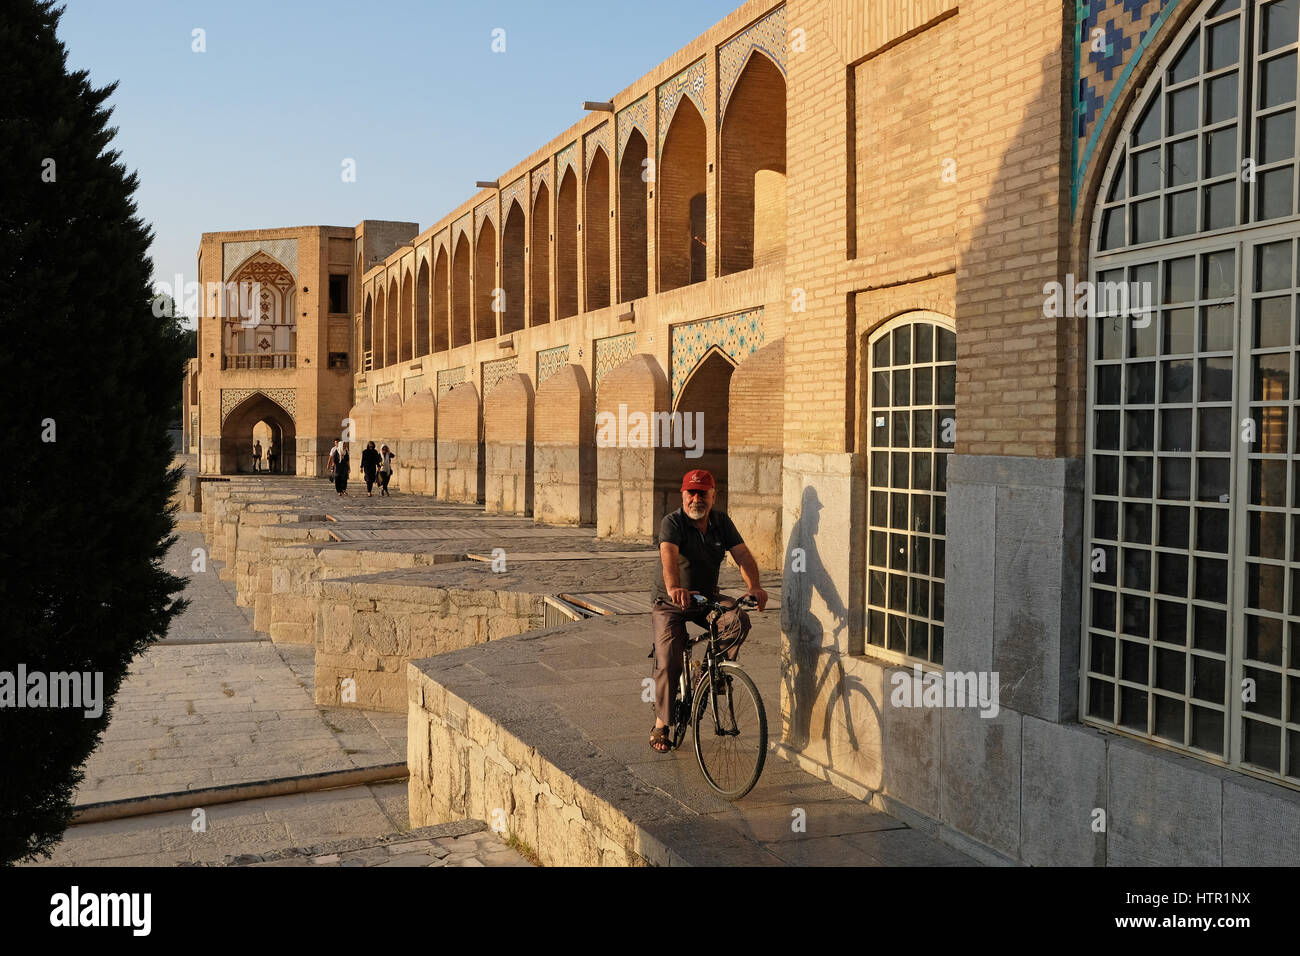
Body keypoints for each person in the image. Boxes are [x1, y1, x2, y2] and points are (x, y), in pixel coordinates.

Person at [648, 469, 767, 753]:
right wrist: (675, 587)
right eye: (692, 493)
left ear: (713, 496)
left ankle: (710, 675)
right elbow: (668, 556)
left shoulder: (721, 522)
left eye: (703, 493)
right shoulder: (672, 522)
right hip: (671, 603)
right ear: (683, 495)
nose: (696, 499)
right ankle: (661, 724)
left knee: (737, 619)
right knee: (669, 663)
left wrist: (755, 587)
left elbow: (742, 555)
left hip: (705, 600)